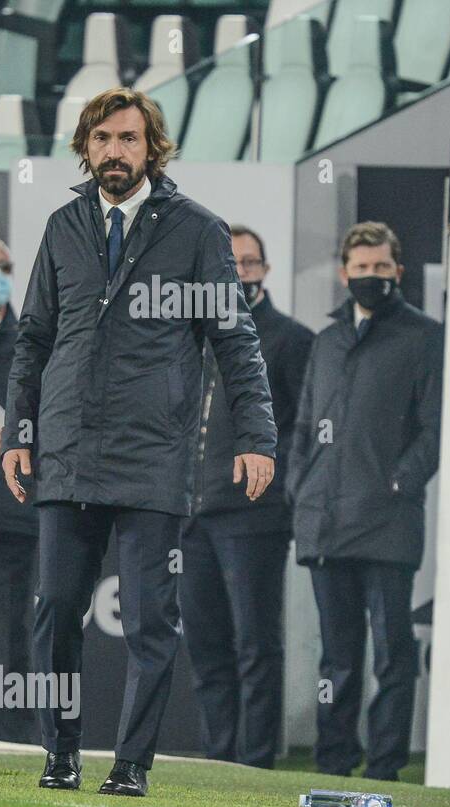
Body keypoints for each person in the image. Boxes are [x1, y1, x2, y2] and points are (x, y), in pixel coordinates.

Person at [1, 87, 276, 797]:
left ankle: (131, 764)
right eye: (101, 139)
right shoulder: (63, 227)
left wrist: (256, 436)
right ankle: (59, 755)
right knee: (57, 609)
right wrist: (17, 432)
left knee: (154, 620)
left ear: (151, 146)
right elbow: (32, 339)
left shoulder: (198, 230)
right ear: (85, 149)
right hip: (63, 452)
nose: (114, 151)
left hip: (154, 456)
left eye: (127, 138)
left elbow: (236, 340)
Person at [289, 222, 443, 781]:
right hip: (325, 522)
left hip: (388, 524)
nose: (371, 277)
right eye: (362, 269)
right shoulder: (327, 340)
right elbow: (304, 423)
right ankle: (333, 760)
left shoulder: (425, 337)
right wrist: (298, 485)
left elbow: (434, 430)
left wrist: (399, 483)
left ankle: (384, 765)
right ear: (344, 272)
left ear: (398, 272)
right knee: (337, 658)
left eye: (382, 268)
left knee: (392, 654)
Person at [180, 225, 313, 768]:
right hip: (192, 515)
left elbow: (305, 430)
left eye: (249, 263)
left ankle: (254, 764)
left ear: (265, 270)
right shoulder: (190, 336)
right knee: (207, 648)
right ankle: (219, 759)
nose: (239, 273)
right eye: (228, 263)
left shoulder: (291, 338)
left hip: (253, 516)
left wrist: (284, 493)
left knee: (256, 646)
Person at [0, 236, 39, 743]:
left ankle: (7, 742)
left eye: (6, 267)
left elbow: (58, 417)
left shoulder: (30, 341)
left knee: (6, 639)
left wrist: (23, 436)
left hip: (9, 514)